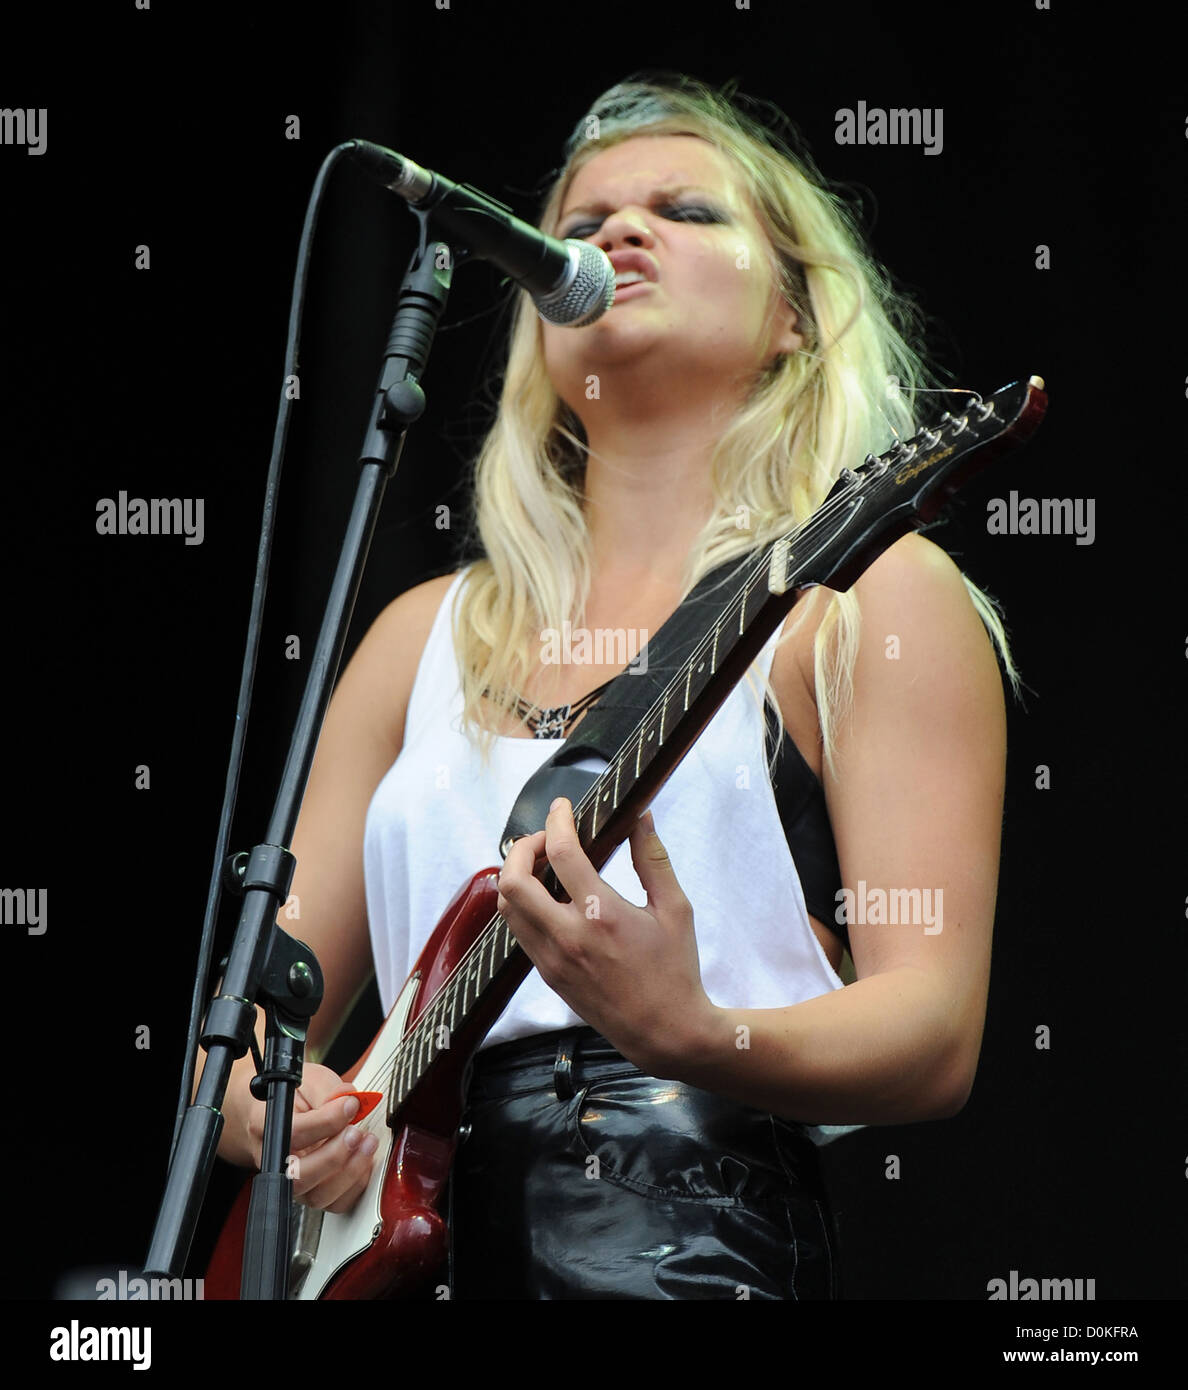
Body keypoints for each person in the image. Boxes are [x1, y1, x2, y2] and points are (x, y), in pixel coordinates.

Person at [207, 73, 1013, 1299]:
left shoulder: (869, 599)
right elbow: (248, 1026)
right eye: (578, 230)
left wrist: (695, 1030)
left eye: (686, 211)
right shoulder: (418, 638)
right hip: (375, 1252)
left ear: (797, 311)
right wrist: (268, 1111)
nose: (619, 236)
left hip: (681, 1238)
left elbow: (935, 1032)